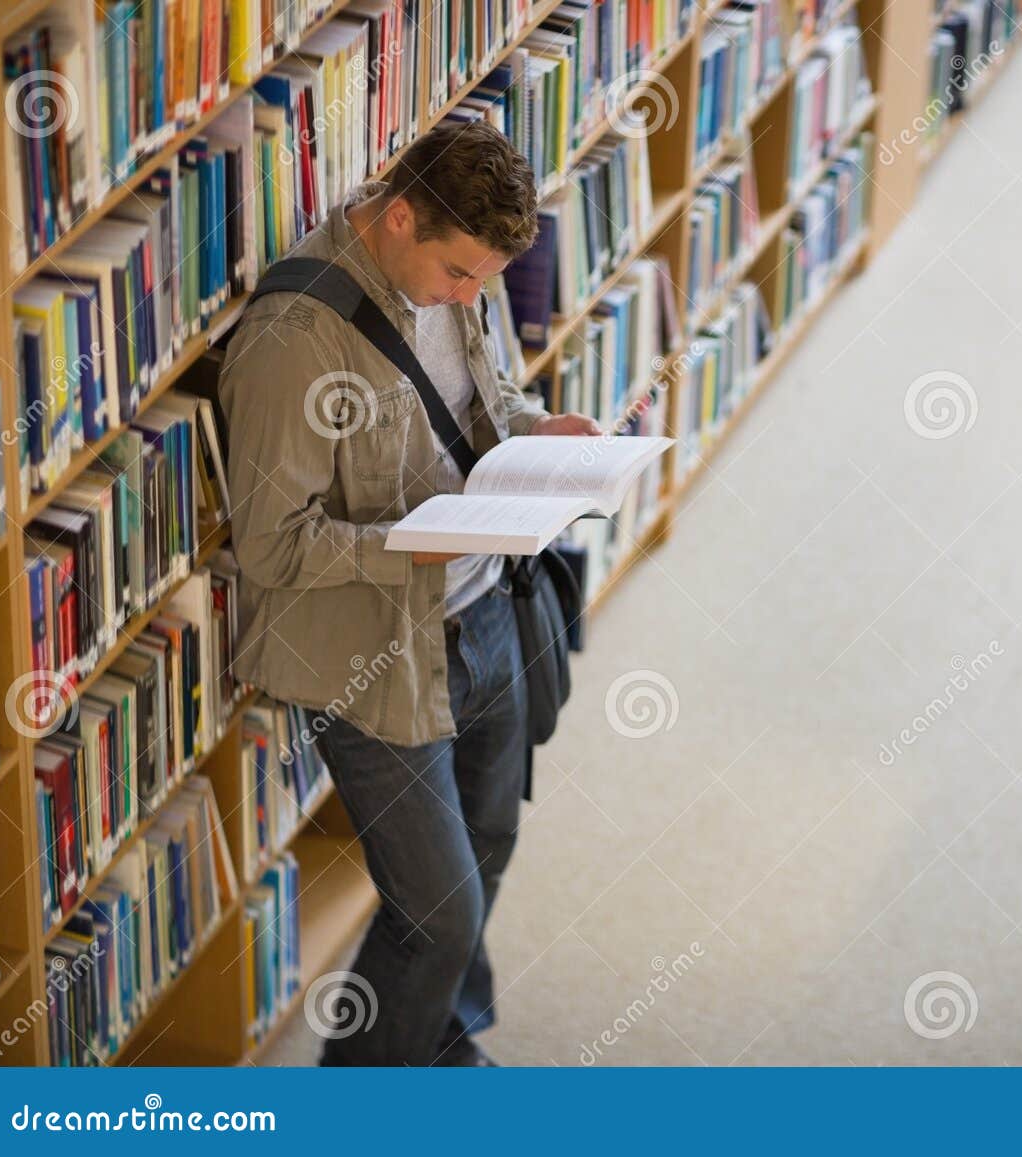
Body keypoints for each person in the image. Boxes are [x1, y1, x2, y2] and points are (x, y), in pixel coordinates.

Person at [218, 121, 598, 1066]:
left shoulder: (449, 273)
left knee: (493, 839)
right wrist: (412, 547)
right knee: (436, 911)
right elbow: (270, 546)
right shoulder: (291, 343)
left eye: (485, 279)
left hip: (487, 608)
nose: (472, 295)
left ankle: (439, 1041)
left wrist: (534, 425)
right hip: (377, 654)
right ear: (399, 218)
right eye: (462, 275)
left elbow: (475, 397)